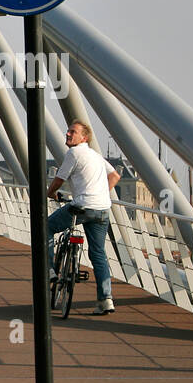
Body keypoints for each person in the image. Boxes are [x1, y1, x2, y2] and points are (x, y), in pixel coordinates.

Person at [46, 120, 121, 315]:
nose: (68, 134)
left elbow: (58, 180)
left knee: (46, 227)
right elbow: (114, 176)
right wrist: (101, 192)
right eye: (68, 131)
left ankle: (50, 270)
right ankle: (106, 300)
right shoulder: (95, 156)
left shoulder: (74, 153)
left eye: (73, 132)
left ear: (84, 138)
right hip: (103, 209)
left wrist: (50, 193)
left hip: (82, 207)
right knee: (98, 253)